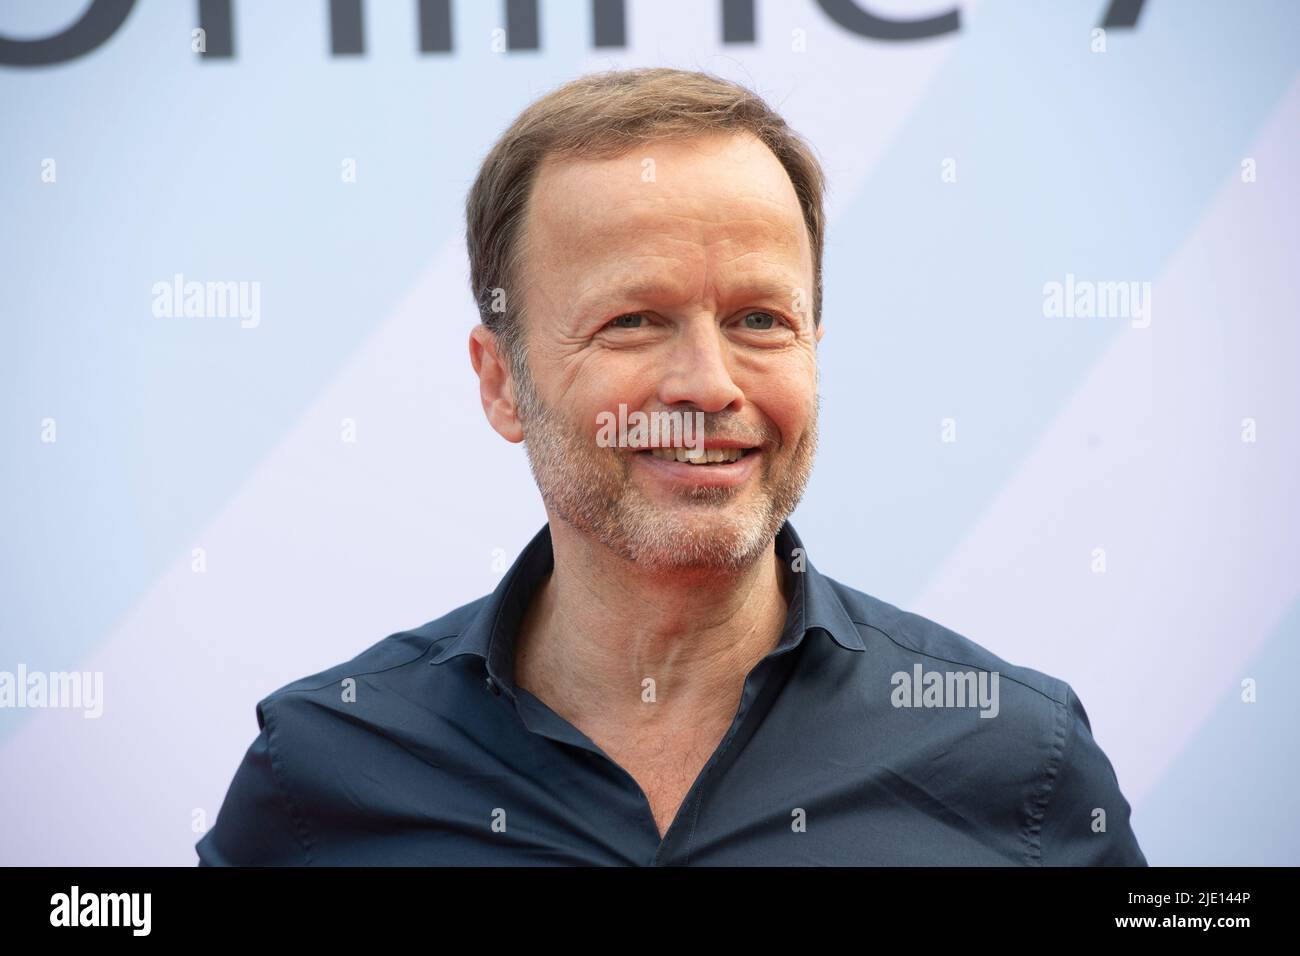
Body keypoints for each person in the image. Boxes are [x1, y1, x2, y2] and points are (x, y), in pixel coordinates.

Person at [196, 67, 1146, 866]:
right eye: (633, 321)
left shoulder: (1020, 763)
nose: (709, 385)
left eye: (760, 321)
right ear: (501, 384)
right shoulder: (319, 774)